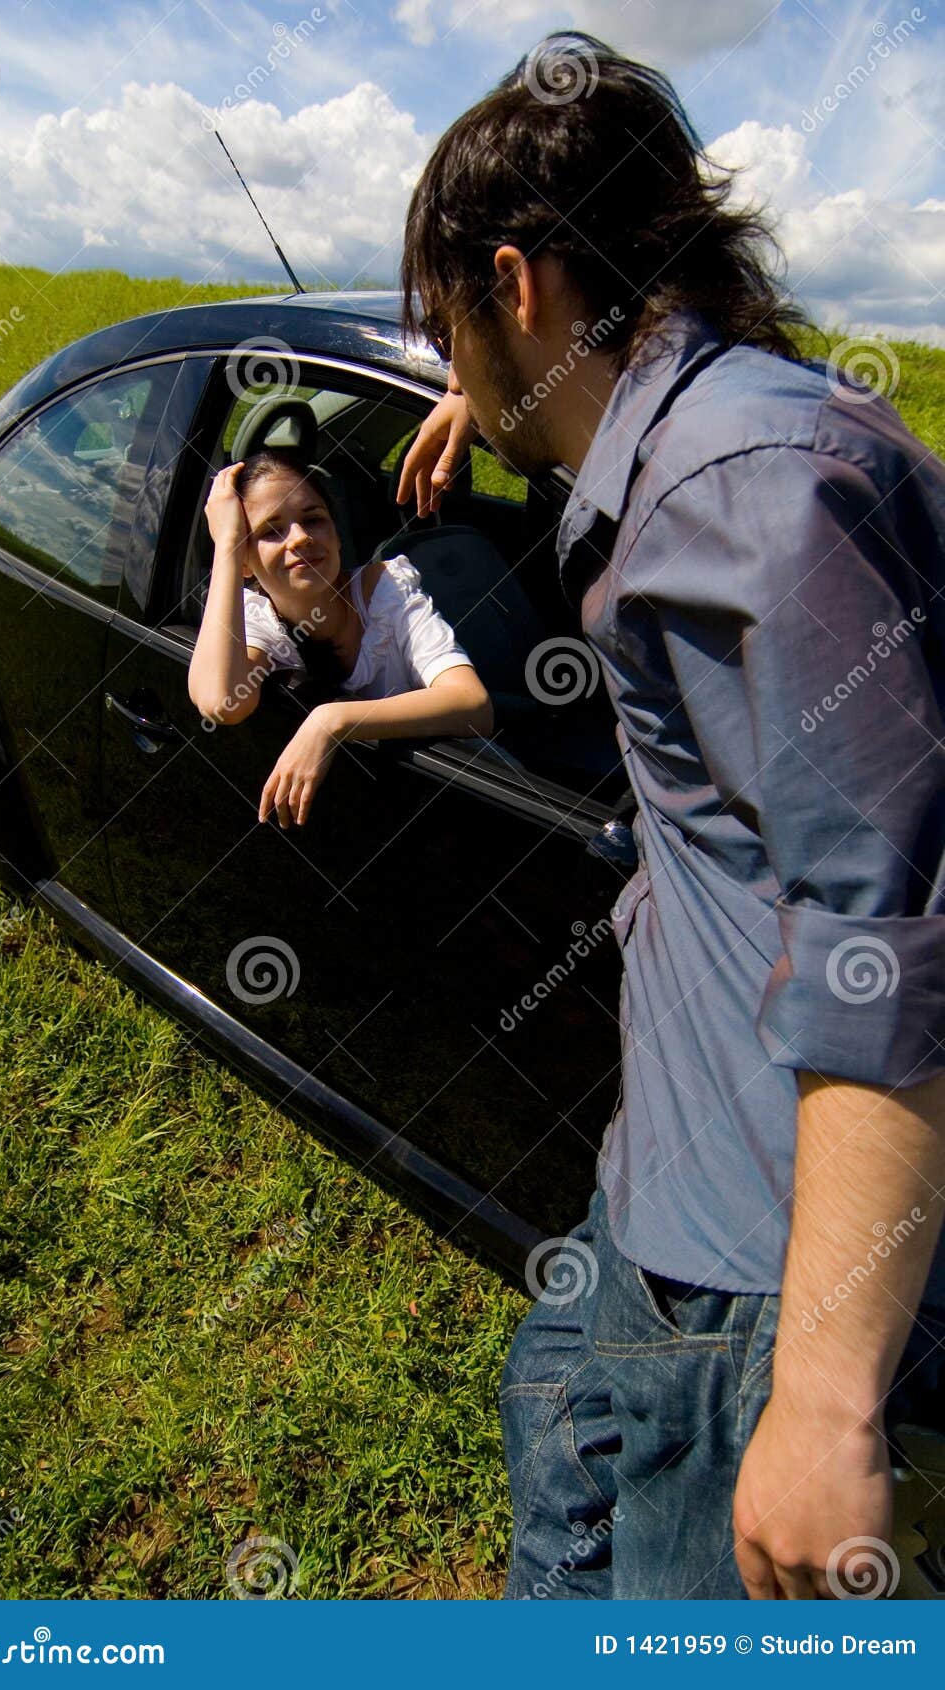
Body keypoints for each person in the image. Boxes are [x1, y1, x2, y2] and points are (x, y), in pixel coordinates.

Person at [398, 31, 945, 1600]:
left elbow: (882, 949)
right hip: (672, 1183)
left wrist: (825, 1398)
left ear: (521, 286)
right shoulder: (707, 435)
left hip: (763, 1276)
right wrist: (492, 402)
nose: (449, 364)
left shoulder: (741, 486)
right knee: (556, 1410)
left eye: (451, 325)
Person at [187, 447, 493, 828]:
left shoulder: (385, 592)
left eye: (313, 519)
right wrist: (228, 545)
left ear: (336, 534)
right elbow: (221, 702)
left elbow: (473, 705)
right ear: (245, 561)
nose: (298, 538)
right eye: (271, 530)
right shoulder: (265, 624)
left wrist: (331, 721)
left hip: (461, 803)